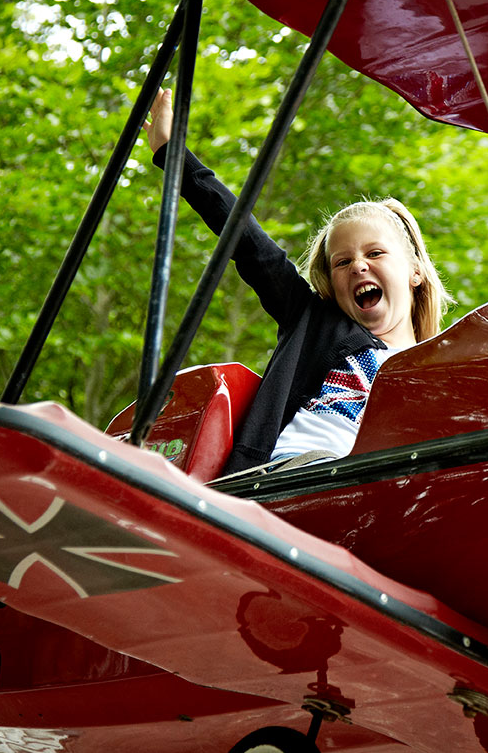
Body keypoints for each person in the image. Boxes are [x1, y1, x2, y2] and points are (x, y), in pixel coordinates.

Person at [142, 89, 452, 474]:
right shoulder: (316, 323)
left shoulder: (438, 374)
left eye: (374, 254)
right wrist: (174, 156)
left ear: (415, 272)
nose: (358, 267)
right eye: (342, 262)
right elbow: (250, 244)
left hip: (377, 489)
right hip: (292, 477)